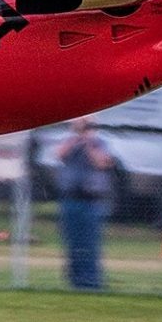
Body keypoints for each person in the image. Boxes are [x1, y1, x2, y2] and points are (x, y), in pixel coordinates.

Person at [55, 117, 114, 290]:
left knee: (89, 243)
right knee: (72, 242)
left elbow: (101, 162)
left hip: (91, 201)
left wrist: (88, 142)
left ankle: (91, 280)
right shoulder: (70, 142)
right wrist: (76, 139)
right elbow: (59, 155)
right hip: (71, 198)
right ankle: (75, 280)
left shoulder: (99, 143)